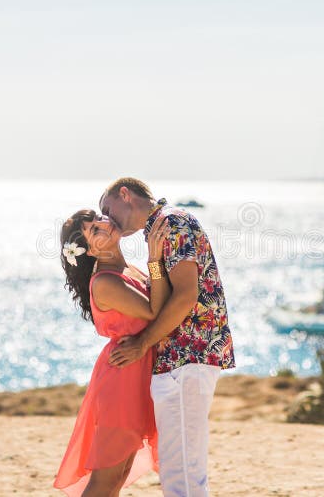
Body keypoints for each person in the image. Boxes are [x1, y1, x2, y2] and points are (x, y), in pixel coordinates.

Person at [100, 178, 235, 497]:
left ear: (125, 194)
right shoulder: (162, 228)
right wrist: (153, 262)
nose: (106, 218)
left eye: (107, 209)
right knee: (181, 472)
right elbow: (163, 297)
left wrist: (143, 343)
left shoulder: (172, 223)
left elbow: (186, 296)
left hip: (186, 358)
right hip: (181, 361)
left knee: (182, 476)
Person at [53, 209, 171, 497]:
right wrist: (155, 260)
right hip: (121, 382)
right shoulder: (105, 281)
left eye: (98, 219)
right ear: (90, 251)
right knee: (106, 479)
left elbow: (163, 302)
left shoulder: (129, 270)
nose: (104, 225)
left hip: (138, 375)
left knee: (118, 477)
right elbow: (155, 311)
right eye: (94, 230)